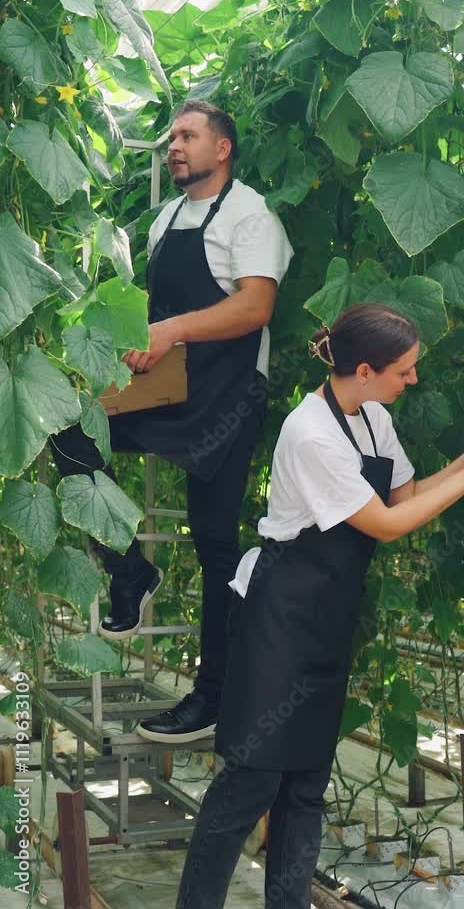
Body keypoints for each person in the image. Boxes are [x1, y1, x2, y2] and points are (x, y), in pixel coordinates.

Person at [175, 302, 464, 909]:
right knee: (249, 782)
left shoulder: (369, 418)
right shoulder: (310, 432)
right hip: (278, 618)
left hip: (326, 616)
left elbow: (407, 493)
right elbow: (387, 523)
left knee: (306, 785)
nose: (412, 380)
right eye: (404, 371)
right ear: (364, 370)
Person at [50, 100, 293, 744]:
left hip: (228, 394)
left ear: (223, 149)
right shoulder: (163, 221)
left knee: (216, 544)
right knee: (66, 430)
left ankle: (211, 696)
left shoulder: (252, 216)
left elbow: (256, 307)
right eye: (172, 137)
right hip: (164, 385)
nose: (174, 147)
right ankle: (129, 565)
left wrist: (170, 330)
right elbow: (147, 313)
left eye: (188, 136)